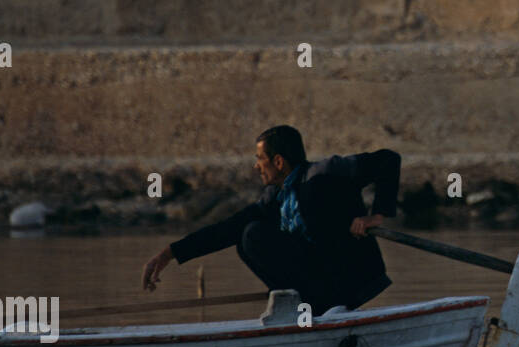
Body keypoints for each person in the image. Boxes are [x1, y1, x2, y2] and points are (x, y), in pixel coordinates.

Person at [141, 126, 400, 314]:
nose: (256, 166)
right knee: (245, 237)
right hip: (321, 276)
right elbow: (227, 229)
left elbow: (389, 160)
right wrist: (170, 253)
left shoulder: (327, 173)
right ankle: (306, 306)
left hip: (351, 278)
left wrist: (376, 215)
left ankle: (328, 307)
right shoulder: (274, 197)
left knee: (253, 234)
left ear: (278, 161)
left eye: (260, 159)